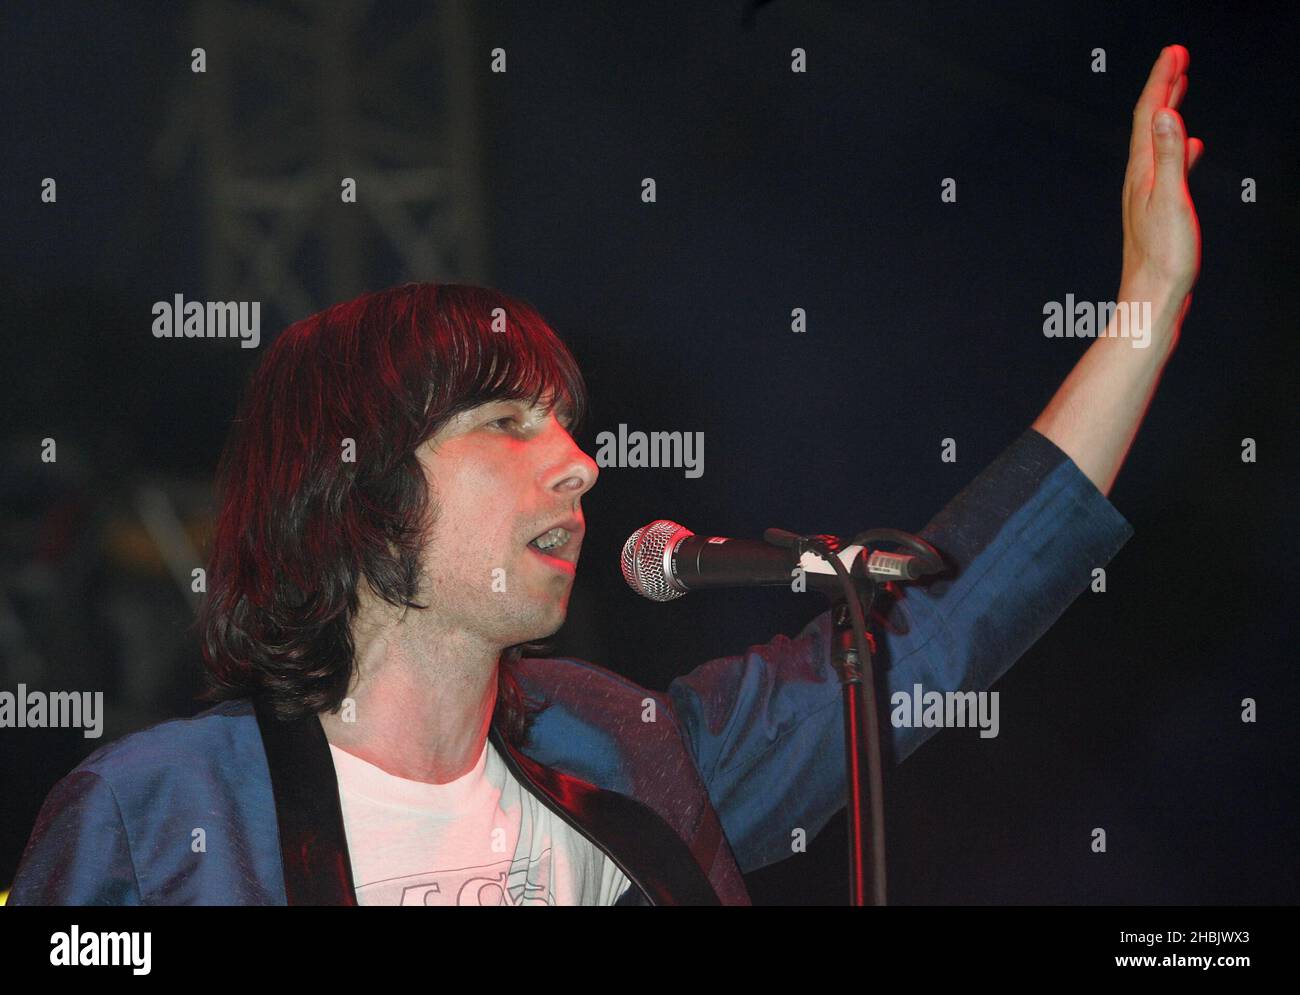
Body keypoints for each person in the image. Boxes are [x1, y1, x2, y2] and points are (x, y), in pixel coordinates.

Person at [7, 46, 1201, 906]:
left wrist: (1146, 307)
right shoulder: (152, 816)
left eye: (570, 429)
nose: (581, 465)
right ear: (357, 487)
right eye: (506, 421)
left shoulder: (628, 751)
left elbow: (934, 640)